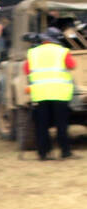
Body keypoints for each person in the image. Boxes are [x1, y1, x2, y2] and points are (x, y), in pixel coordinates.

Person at [24, 28, 76, 160]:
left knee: (42, 125)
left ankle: (43, 153)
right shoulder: (62, 51)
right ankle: (65, 152)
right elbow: (71, 65)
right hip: (60, 93)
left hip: (40, 94)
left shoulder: (33, 52)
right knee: (61, 124)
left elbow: (27, 70)